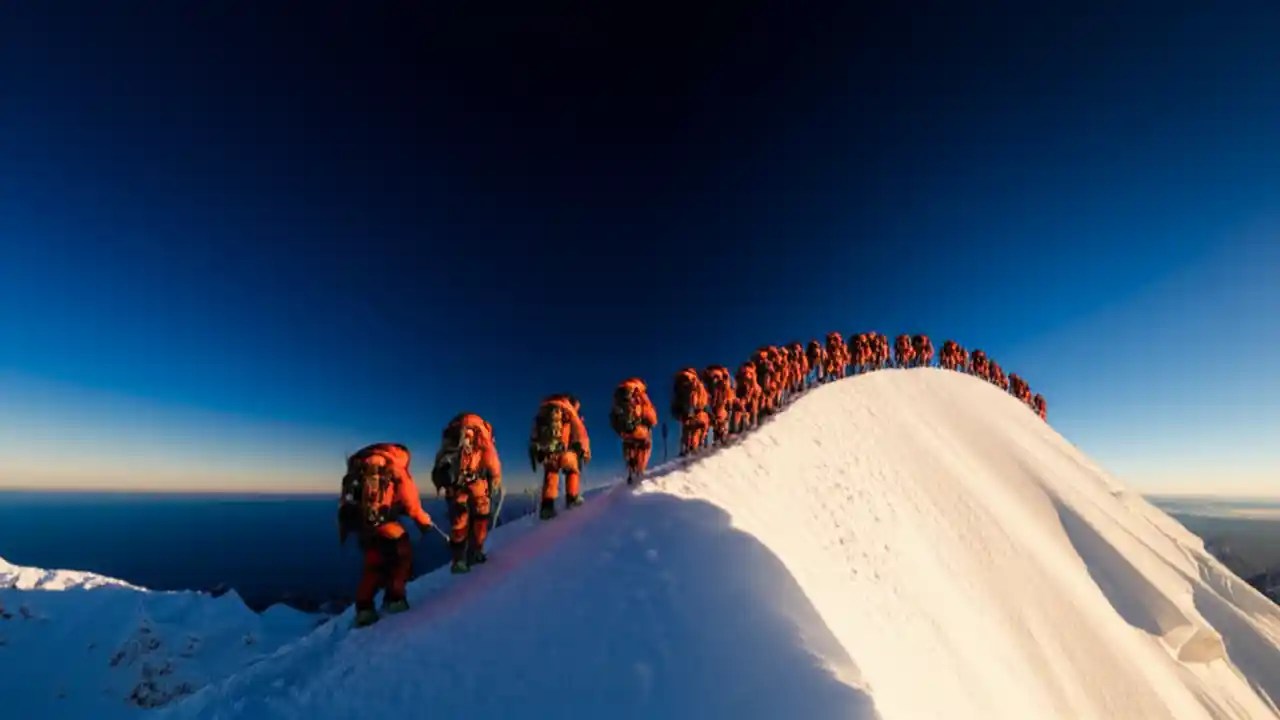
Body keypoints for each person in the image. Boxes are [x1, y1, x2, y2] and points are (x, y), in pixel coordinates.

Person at [338, 443, 433, 628]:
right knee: (401, 558)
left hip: (364, 526)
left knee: (373, 565)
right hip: (386, 524)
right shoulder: (396, 467)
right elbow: (412, 503)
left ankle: (364, 609)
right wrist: (423, 522)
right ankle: (395, 599)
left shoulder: (358, 467)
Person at [431, 413, 502, 574]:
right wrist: (496, 477)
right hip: (477, 484)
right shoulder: (482, 436)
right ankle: (476, 552)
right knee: (481, 517)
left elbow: (439, 463)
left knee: (459, 521)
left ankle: (458, 560)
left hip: (456, 487)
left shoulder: (451, 439)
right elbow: (492, 460)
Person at [529, 394, 591, 519]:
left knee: (551, 474)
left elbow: (534, 436)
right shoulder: (570, 412)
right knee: (573, 469)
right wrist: (584, 451)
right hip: (563, 452)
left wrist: (536, 453)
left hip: (547, 452)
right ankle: (572, 498)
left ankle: (547, 506)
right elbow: (581, 433)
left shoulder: (544, 412)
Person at [610, 378, 659, 484]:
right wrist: (651, 422)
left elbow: (613, 418)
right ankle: (639, 474)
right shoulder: (640, 394)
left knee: (630, 446)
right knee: (645, 445)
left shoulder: (619, 395)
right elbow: (651, 417)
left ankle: (631, 466)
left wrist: (621, 431)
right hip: (640, 431)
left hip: (625, 433)